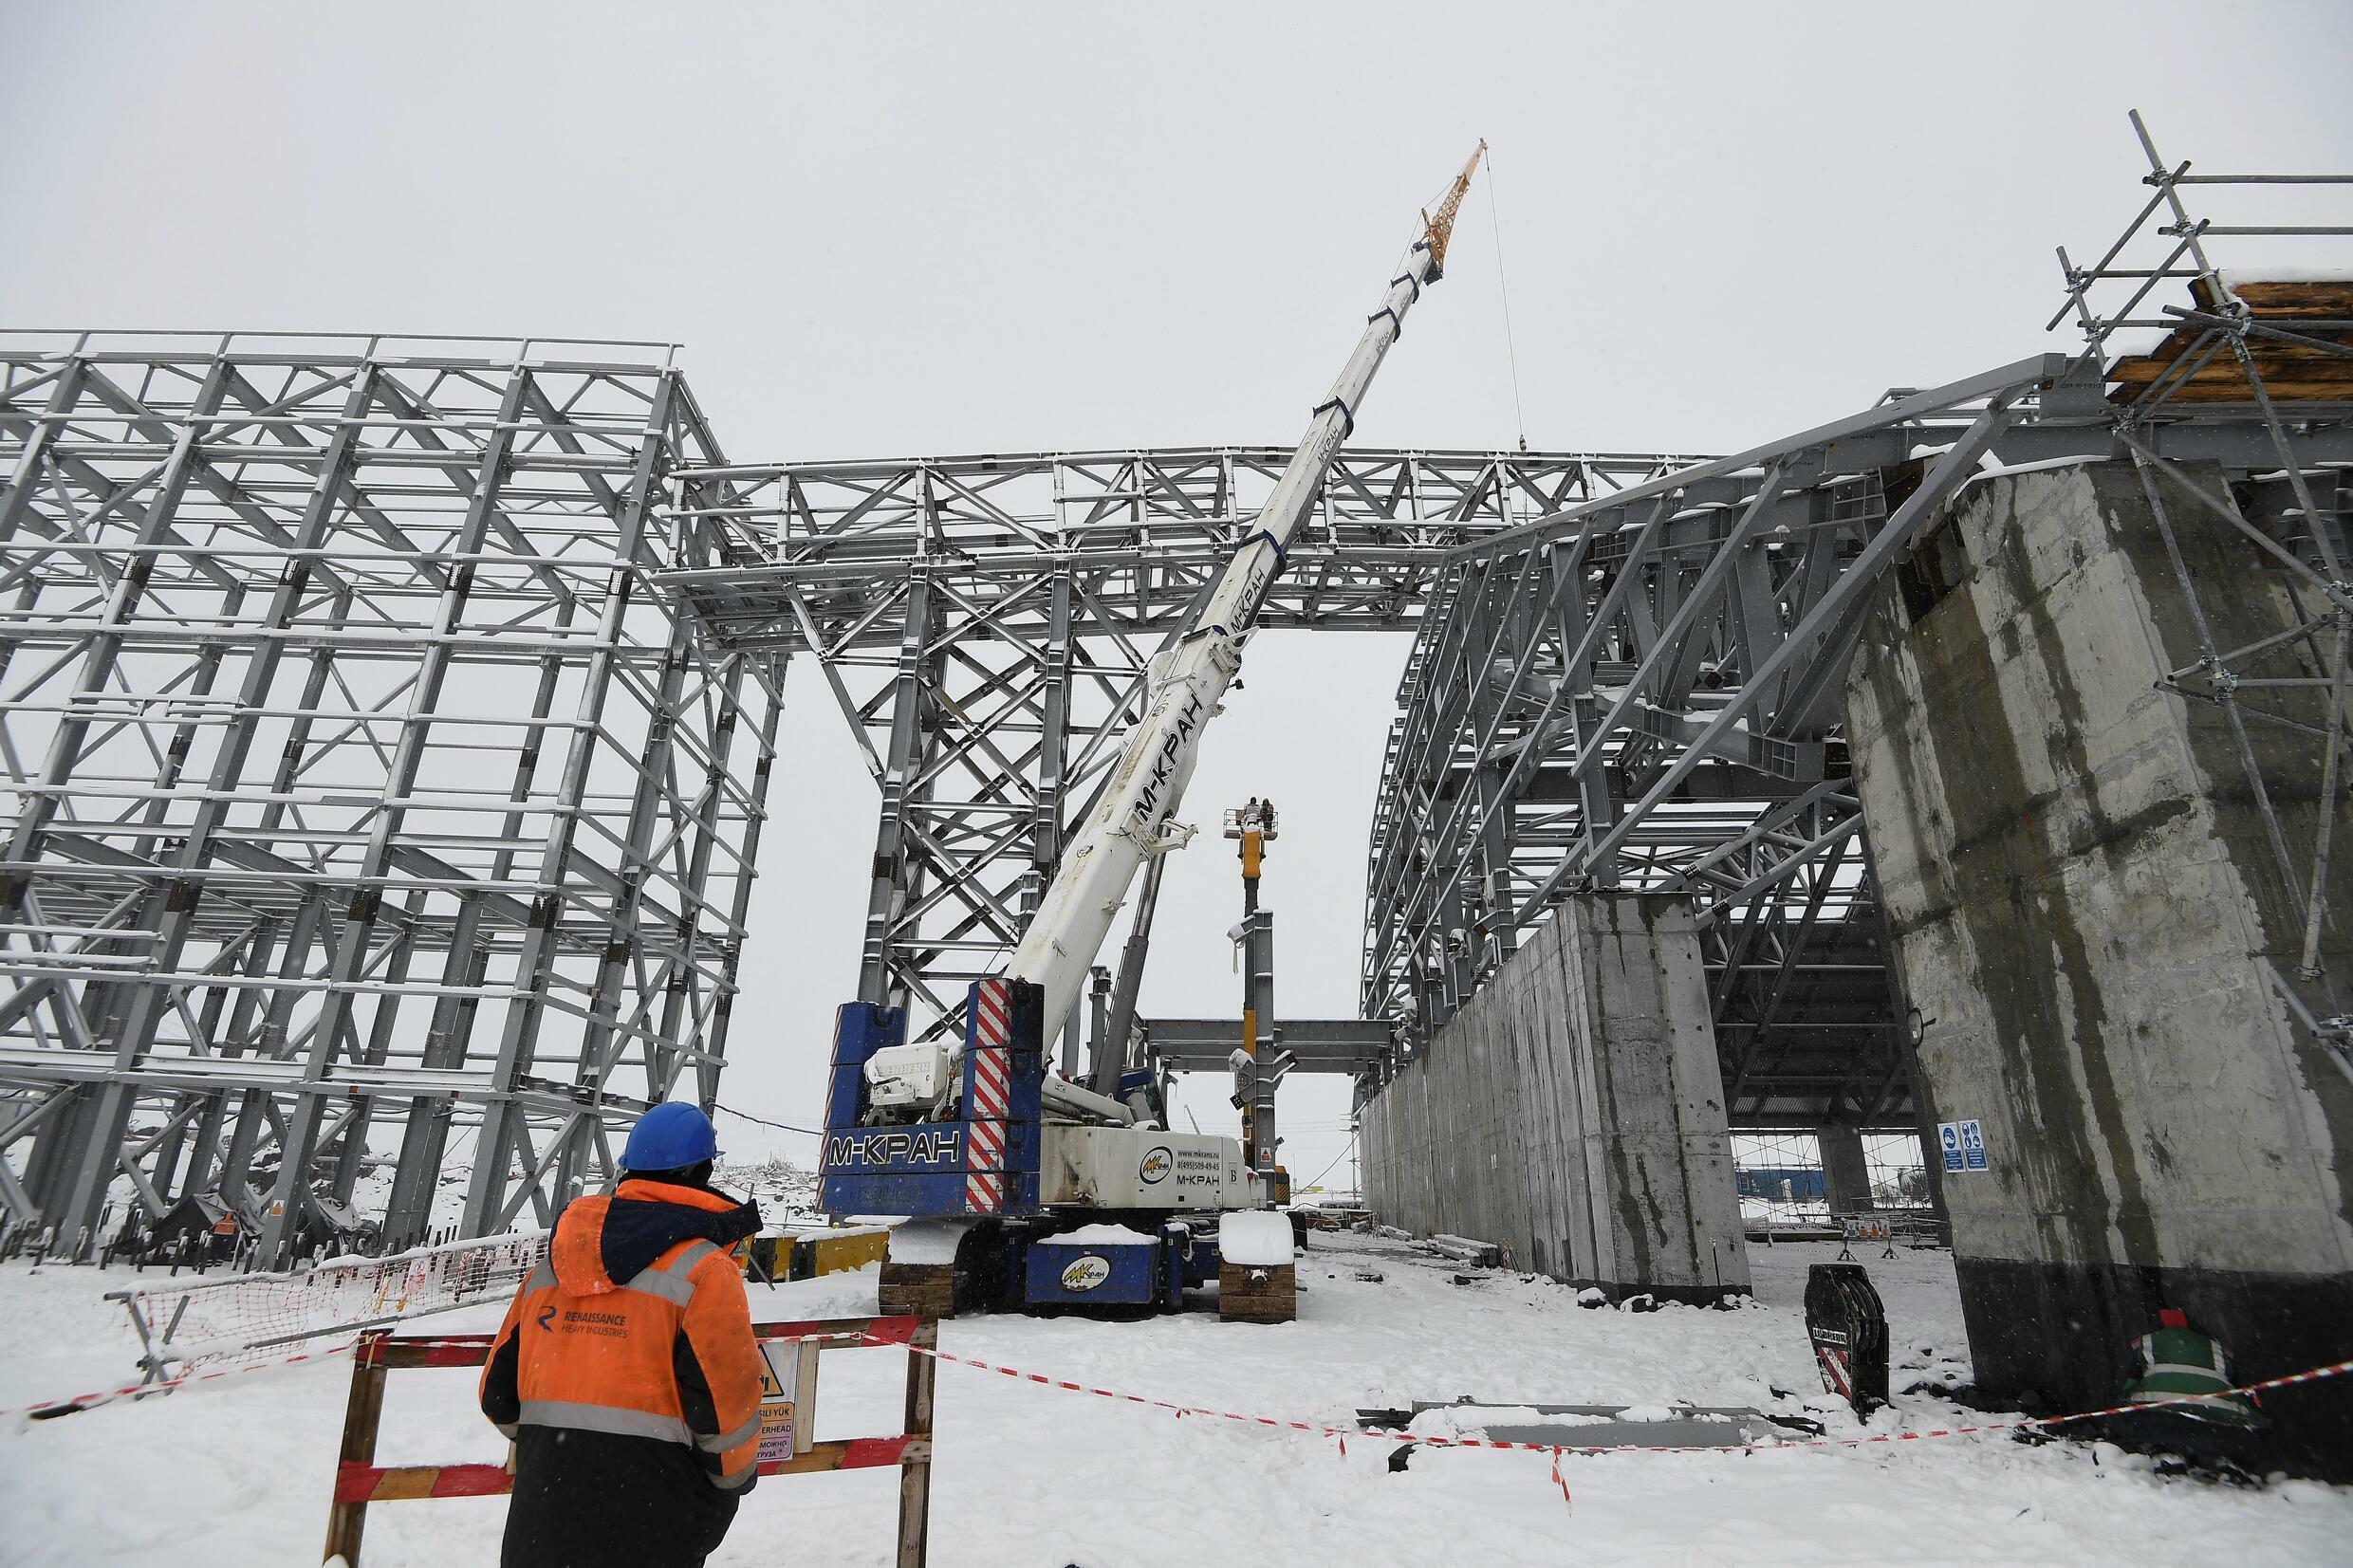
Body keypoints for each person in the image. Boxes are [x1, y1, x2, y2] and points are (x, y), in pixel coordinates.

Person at [481, 1103, 765, 1568]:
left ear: (629, 1170)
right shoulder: (705, 1270)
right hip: (655, 1516)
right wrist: (725, 1485)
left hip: (543, 1516)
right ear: (702, 1171)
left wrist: (558, 1448)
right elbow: (725, 1403)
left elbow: (497, 1394)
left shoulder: (553, 1265)